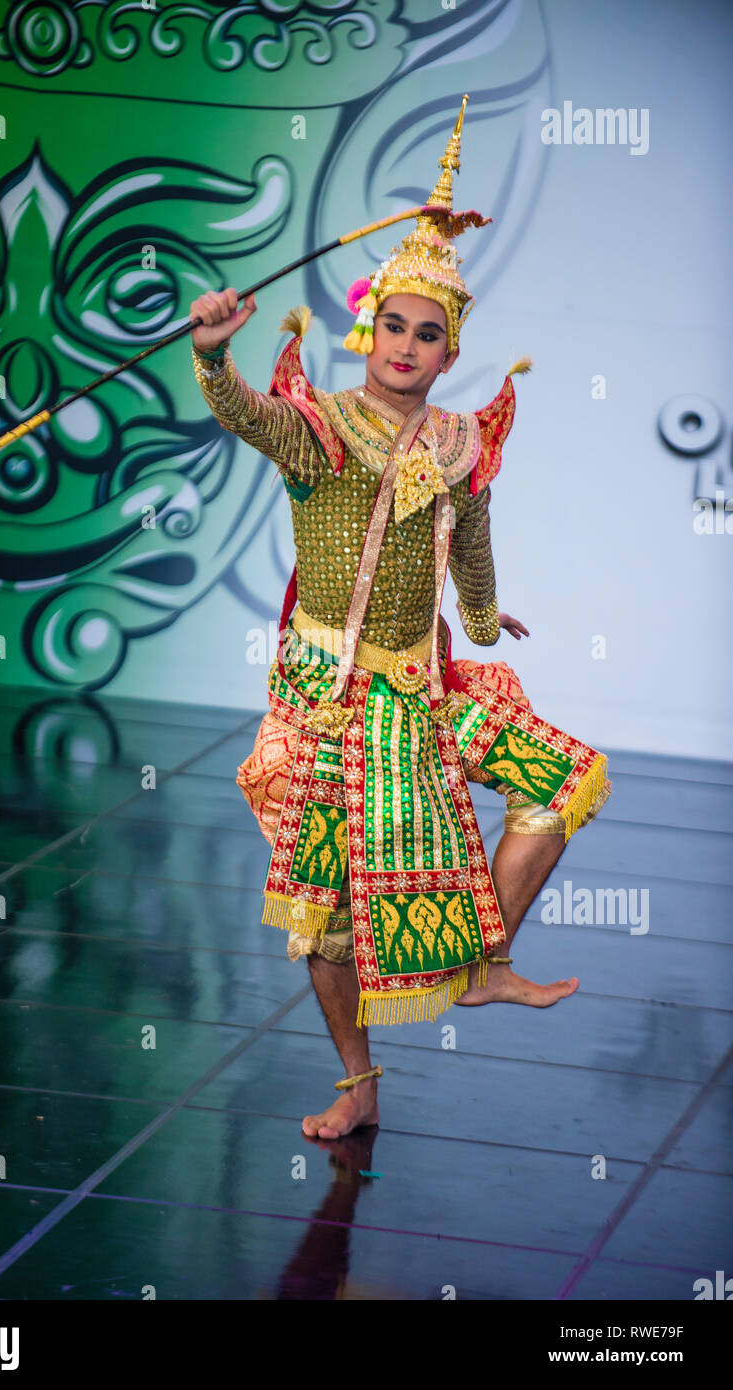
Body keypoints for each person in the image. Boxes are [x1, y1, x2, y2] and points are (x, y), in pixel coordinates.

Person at [189, 96, 611, 1140]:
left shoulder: (461, 443)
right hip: (332, 703)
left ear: (448, 348)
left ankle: (484, 961)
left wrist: (481, 612)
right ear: (368, 325)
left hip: (420, 691)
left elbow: (467, 536)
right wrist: (211, 356)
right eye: (395, 325)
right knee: (327, 919)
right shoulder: (320, 429)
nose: (408, 345)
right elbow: (248, 413)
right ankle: (355, 1083)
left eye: (430, 334)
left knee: (562, 779)